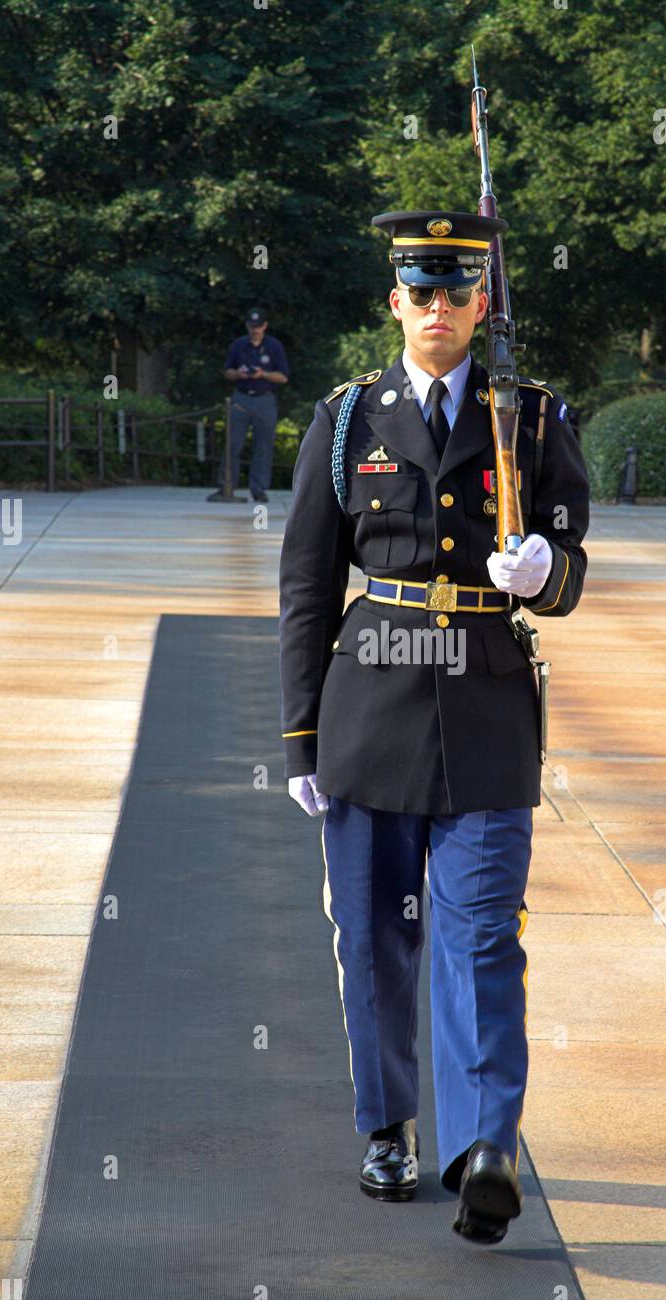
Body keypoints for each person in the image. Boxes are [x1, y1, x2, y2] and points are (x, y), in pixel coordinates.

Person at [278, 210, 590, 1245]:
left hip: (490, 705)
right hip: (372, 704)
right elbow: (307, 589)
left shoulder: (533, 421)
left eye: (458, 291)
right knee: (374, 940)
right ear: (394, 302)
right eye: (421, 290)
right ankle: (388, 1126)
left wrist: (542, 573)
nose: (439, 310)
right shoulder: (347, 419)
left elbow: (568, 557)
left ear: (482, 303)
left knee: (482, 935)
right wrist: (299, 738)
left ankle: (485, 1145)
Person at [207, 307, 289, 503]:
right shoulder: (239, 345)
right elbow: (227, 371)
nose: (255, 330)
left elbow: (283, 376)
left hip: (264, 398)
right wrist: (238, 374)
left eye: (259, 326)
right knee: (233, 444)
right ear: (247, 326)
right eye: (252, 326)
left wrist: (264, 374)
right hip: (241, 397)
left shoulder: (274, 346)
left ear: (265, 326)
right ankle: (226, 485)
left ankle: (259, 489)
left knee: (263, 446)